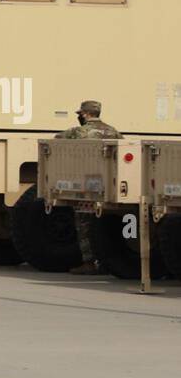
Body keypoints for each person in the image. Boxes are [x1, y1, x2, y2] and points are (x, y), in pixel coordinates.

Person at [55, 100, 121, 275]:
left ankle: (89, 263)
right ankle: (109, 261)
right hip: (110, 183)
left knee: (84, 223)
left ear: (84, 114)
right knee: (107, 225)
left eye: (80, 114)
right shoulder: (113, 131)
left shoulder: (78, 131)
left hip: (87, 183)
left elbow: (57, 139)